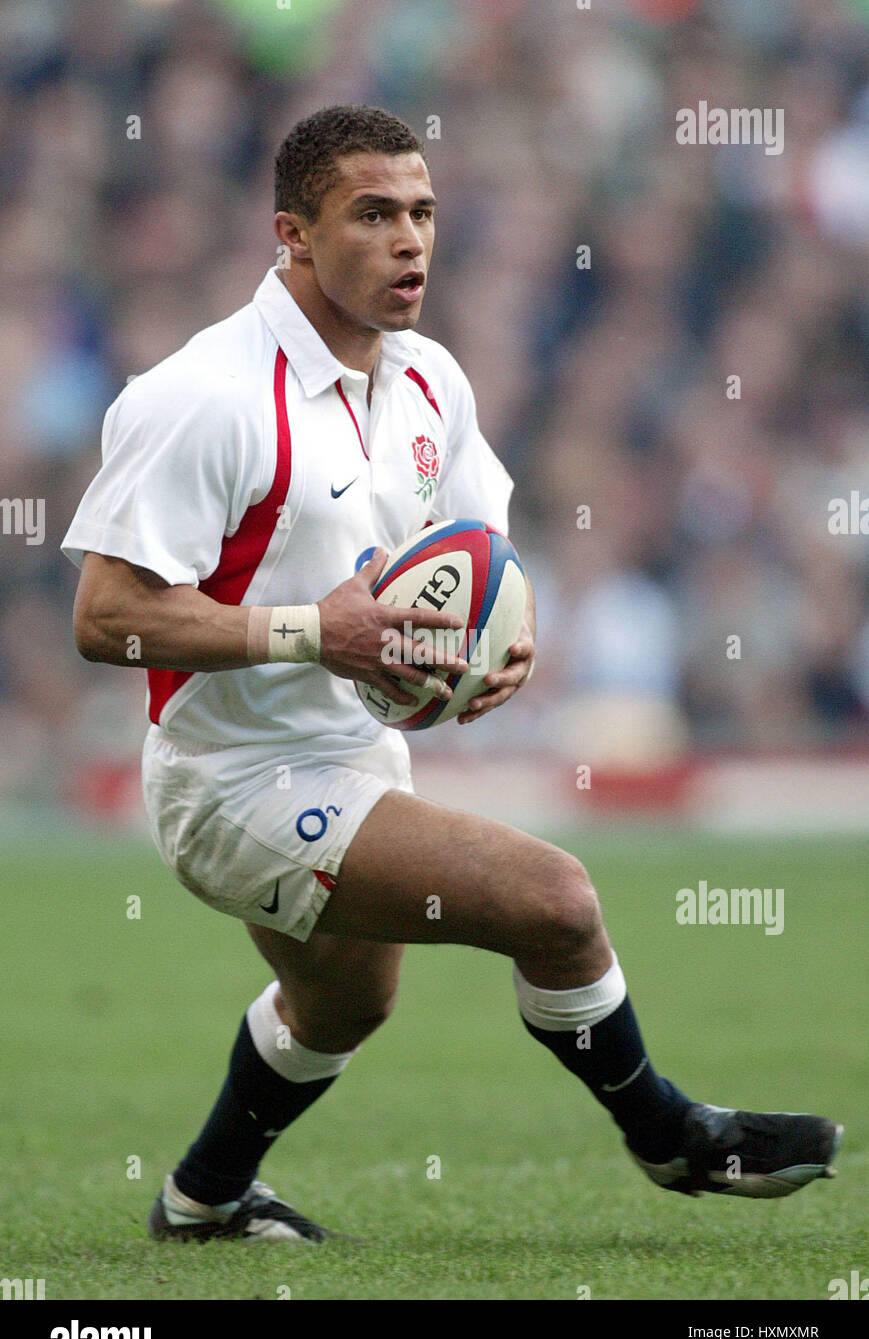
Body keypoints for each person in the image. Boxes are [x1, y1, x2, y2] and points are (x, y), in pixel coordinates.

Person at [62, 105, 841, 1244]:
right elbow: (105, 616)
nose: (409, 240)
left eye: (421, 213)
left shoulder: (427, 382)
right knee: (554, 903)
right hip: (229, 776)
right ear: (291, 234)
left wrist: (504, 644)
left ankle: (203, 1197)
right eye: (371, 215)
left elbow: (482, 564)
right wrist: (304, 635)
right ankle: (677, 1136)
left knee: (342, 1003)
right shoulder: (205, 397)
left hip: (353, 751)